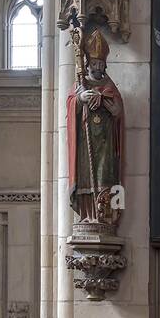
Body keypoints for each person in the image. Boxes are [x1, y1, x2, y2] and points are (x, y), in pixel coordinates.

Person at [68, 29, 124, 225]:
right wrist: (80, 98)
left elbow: (118, 111)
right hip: (86, 139)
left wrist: (107, 103)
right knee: (85, 176)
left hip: (106, 142)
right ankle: (86, 215)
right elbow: (70, 106)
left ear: (105, 64)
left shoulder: (110, 86)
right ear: (88, 64)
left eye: (100, 63)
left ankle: (104, 216)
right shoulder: (80, 84)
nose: (97, 66)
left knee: (105, 174)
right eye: (94, 63)